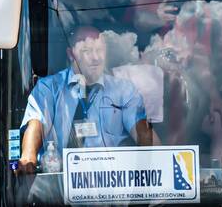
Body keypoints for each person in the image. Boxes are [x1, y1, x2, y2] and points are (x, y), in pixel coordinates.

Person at [17, 25, 152, 173]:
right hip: (60, 187)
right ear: (71, 54)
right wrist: (28, 158)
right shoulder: (49, 88)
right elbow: (37, 124)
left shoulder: (123, 90)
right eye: (86, 51)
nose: (96, 58)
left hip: (112, 185)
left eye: (99, 50)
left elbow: (143, 133)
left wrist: (160, 165)